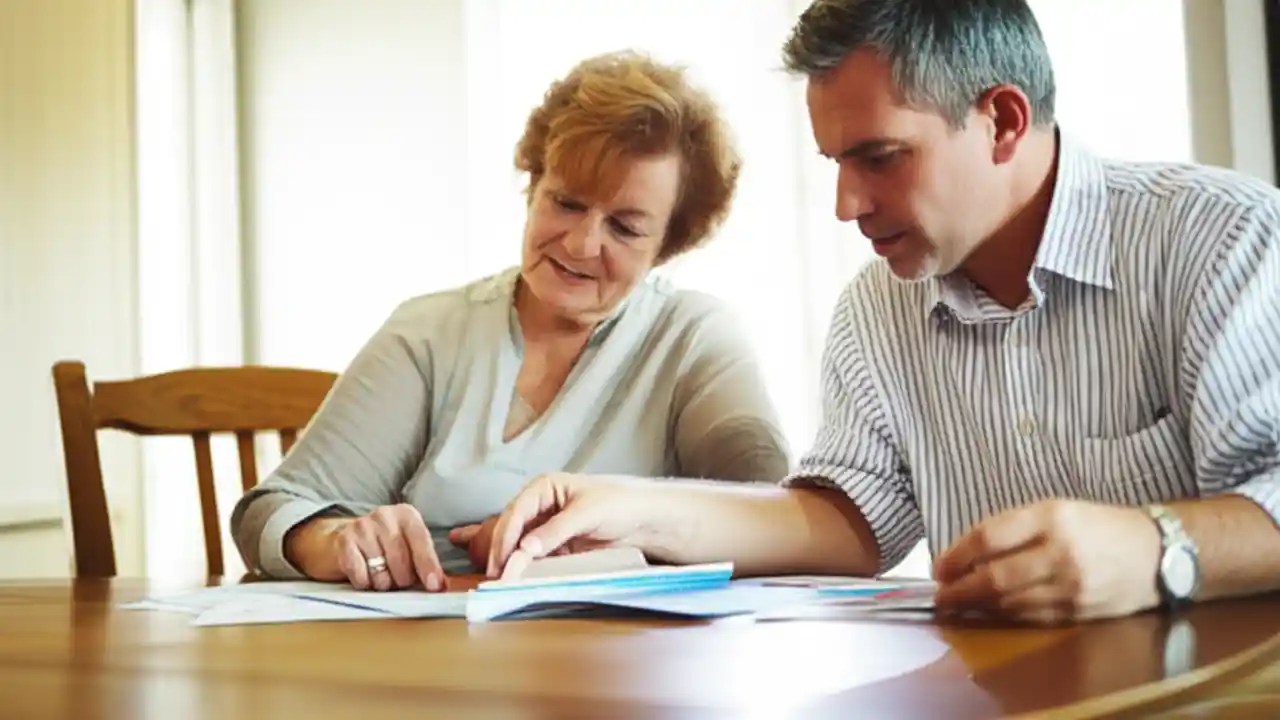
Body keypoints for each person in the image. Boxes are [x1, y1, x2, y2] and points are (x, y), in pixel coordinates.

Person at [485, 0, 1280, 624]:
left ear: (1001, 120)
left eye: (879, 157)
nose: (845, 204)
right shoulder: (876, 308)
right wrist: (638, 511)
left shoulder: (1224, 241)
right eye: (835, 163)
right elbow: (846, 522)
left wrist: (1154, 549)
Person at [230, 51, 790, 592]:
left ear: (669, 243)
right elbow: (272, 511)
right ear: (532, 185)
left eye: (624, 227)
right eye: (566, 203)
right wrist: (337, 540)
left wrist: (582, 536)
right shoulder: (429, 333)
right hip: (427, 653)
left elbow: (771, 512)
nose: (580, 243)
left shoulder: (694, 338)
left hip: (624, 657)